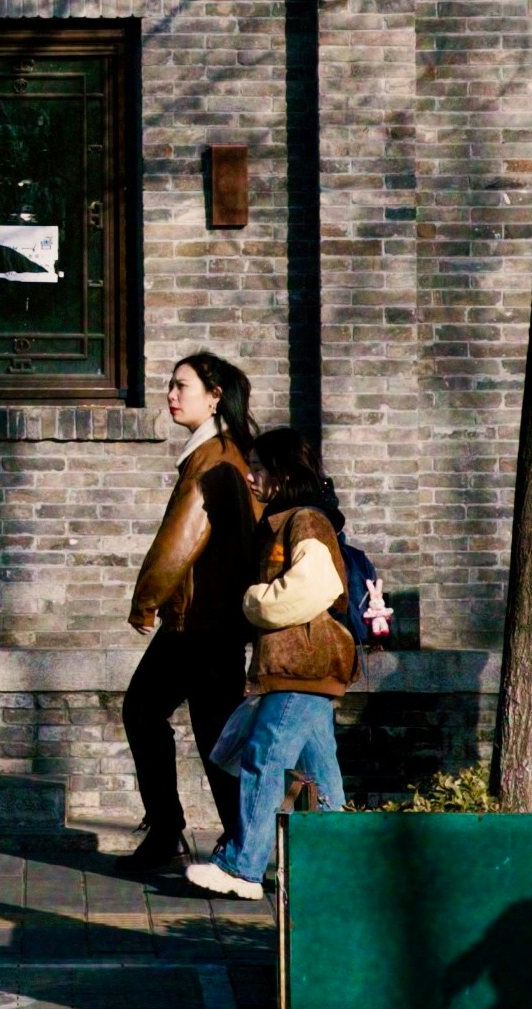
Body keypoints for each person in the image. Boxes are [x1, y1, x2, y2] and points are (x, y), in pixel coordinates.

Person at [184, 427, 361, 902]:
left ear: (283, 474)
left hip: (301, 664)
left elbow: (315, 585)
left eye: (259, 467)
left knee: (265, 756)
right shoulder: (288, 519)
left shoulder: (305, 520)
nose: (250, 475)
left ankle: (242, 866)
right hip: (305, 665)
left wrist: (254, 600)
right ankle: (338, 865)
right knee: (319, 772)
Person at [120, 350, 260, 871]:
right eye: (171, 385)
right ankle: (233, 842)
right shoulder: (225, 453)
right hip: (213, 621)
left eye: (183, 386)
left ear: (215, 395)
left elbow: (180, 541)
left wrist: (145, 602)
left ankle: (175, 833)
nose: (172, 395)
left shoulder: (212, 459)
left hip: (197, 622)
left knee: (146, 711)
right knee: (216, 733)